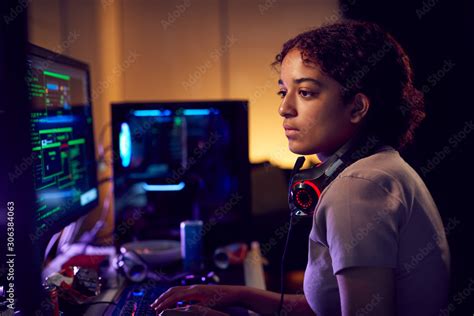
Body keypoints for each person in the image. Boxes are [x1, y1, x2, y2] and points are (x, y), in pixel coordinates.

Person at [151, 20, 450, 316]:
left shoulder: (358, 186)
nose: (284, 108)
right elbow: (324, 308)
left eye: (305, 92)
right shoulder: (380, 167)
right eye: (284, 92)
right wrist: (233, 295)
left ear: (357, 107)